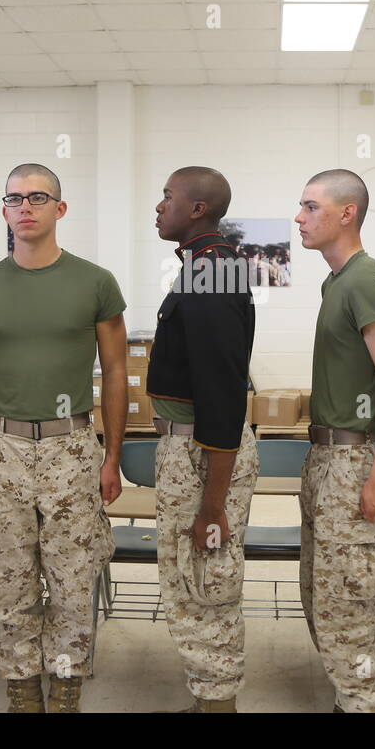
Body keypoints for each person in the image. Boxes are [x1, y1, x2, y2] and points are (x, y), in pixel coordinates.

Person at [0, 163, 126, 713]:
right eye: (14, 198)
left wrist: (112, 456)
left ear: (60, 209)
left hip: (71, 445)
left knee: (73, 574)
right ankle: (23, 688)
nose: (24, 207)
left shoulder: (95, 282)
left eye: (37, 197)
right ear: (3, 210)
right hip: (2, 447)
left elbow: (117, 372)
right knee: (8, 575)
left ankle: (67, 683)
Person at [295, 169, 375, 713]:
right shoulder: (337, 281)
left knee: (346, 606)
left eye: (310, 206)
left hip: (356, 458)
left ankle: (362, 704)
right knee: (323, 601)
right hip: (327, 457)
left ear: (347, 214)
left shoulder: (367, 280)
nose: (299, 217)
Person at [148, 166, 257, 712]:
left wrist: (213, 502)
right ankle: (212, 696)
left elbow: (221, 393)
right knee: (192, 576)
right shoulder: (204, 267)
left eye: (168, 197)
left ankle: (217, 703)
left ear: (196, 209)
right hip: (193, 447)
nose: (159, 206)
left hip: (203, 452)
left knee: (203, 577)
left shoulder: (211, 271)